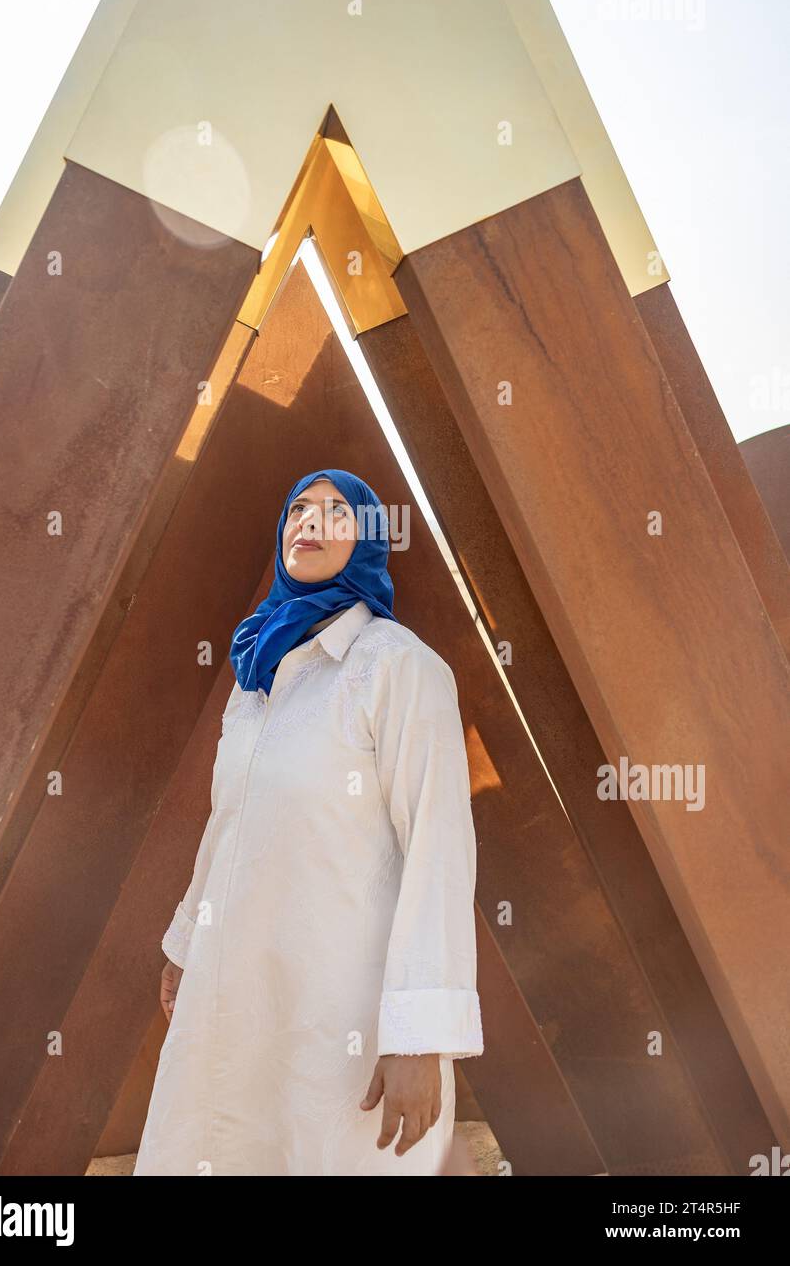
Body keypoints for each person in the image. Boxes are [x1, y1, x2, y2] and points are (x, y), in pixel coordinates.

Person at [133, 467, 483, 1176]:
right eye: (297, 509)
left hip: (340, 1017)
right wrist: (183, 948)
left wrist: (418, 1040)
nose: (310, 522)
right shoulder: (260, 671)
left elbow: (438, 851)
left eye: (334, 512)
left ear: (368, 541)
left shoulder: (398, 667)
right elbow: (228, 824)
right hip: (232, 994)